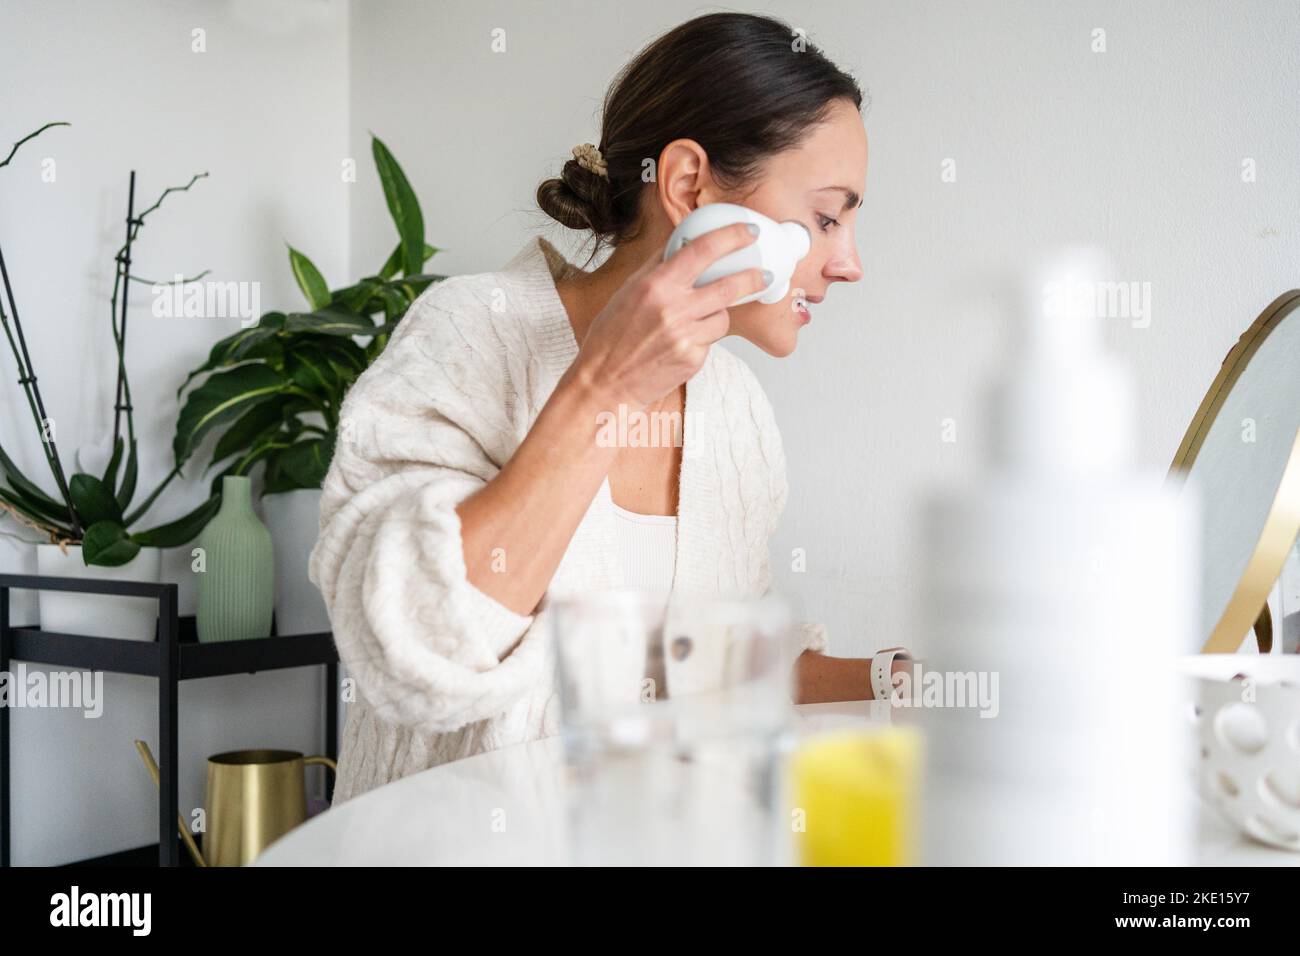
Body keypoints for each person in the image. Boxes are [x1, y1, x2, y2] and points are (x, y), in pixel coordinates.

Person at [310, 11, 911, 805]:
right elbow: (409, 653)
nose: (851, 264)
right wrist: (602, 389)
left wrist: (898, 681)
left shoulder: (734, 412)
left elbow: (725, 670)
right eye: (827, 216)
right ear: (690, 185)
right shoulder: (468, 334)